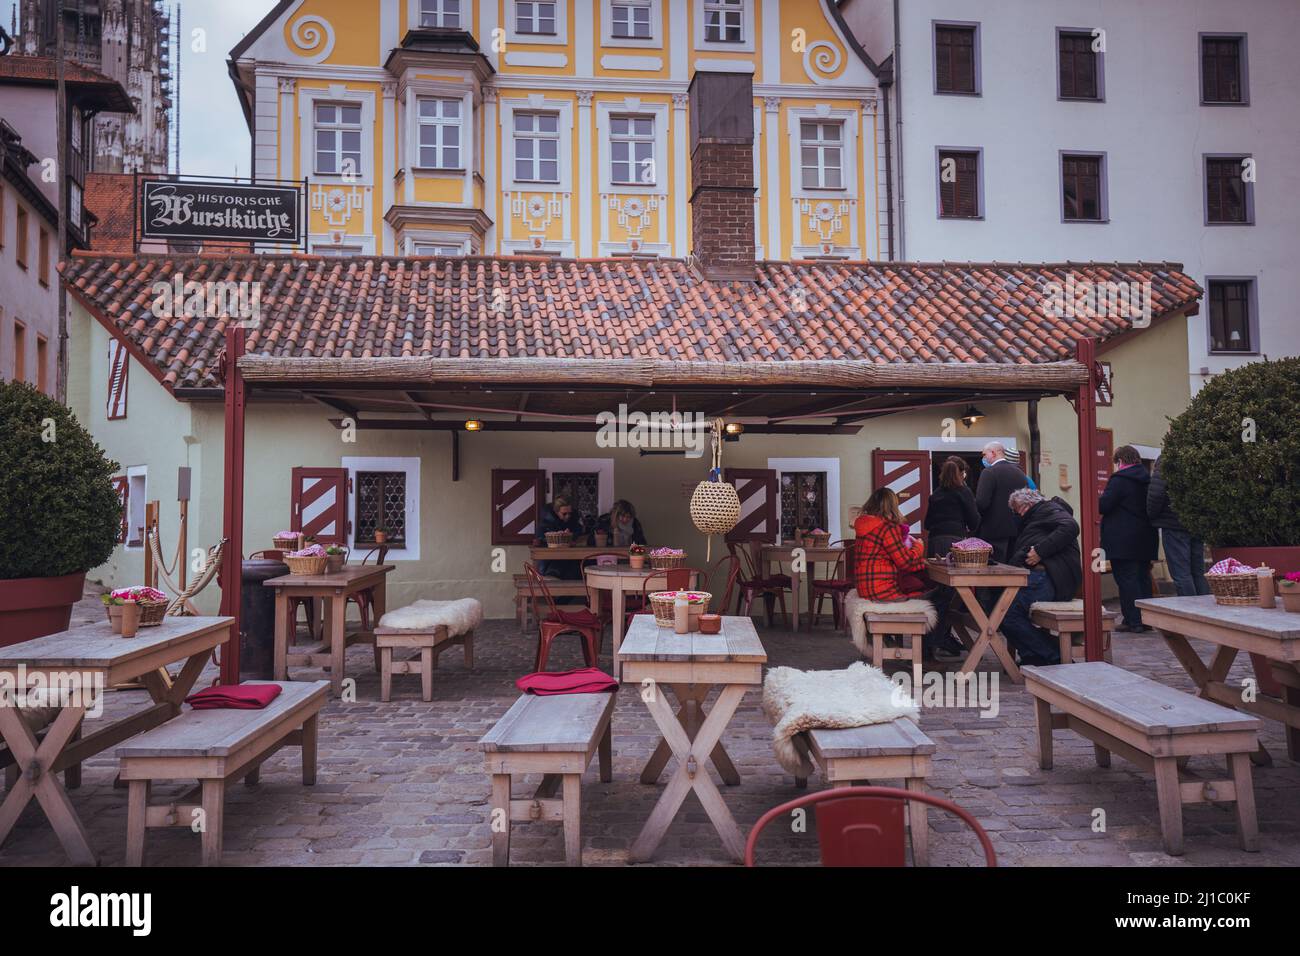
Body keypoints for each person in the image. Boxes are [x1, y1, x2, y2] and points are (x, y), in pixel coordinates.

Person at [854, 488, 964, 661]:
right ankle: (926, 653)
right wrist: (918, 547)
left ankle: (929, 647)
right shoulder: (885, 528)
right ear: (892, 506)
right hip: (883, 592)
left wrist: (918, 561)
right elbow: (906, 563)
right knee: (940, 597)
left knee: (934, 593)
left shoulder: (864, 526)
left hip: (866, 589)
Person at [999, 488, 1083, 666]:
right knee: (1001, 611)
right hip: (1044, 575)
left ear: (1027, 505)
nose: (1016, 515)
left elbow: (1071, 526)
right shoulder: (1039, 514)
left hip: (1050, 577)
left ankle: (1053, 657)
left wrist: (1039, 551)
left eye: (1016, 510)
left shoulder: (1048, 510)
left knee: (1006, 615)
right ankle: (1034, 655)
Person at [1100, 445, 1159, 632]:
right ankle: (1147, 619)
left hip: (1122, 540)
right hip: (1145, 537)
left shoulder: (1119, 480)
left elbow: (1104, 505)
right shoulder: (1147, 479)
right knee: (1143, 578)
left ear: (1120, 461)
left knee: (1127, 580)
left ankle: (1133, 620)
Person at [1147, 456, 1210, 597]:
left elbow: (1156, 493)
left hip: (1174, 524)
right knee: (1197, 572)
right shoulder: (1199, 456)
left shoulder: (1168, 459)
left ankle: (1190, 612)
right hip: (1196, 523)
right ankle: (1206, 612)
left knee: (1182, 574)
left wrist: (1152, 516)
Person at [974, 441, 1030, 564]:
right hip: (1015, 532)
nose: (983, 458)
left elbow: (981, 503)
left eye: (984, 454)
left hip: (993, 533)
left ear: (993, 453)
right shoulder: (1020, 474)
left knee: (992, 575)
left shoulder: (989, 472)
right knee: (1011, 572)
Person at [924, 457, 980, 558]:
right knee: (955, 572)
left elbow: (927, 524)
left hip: (935, 540)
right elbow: (973, 521)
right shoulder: (964, 492)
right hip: (955, 540)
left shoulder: (936, 494)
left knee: (936, 572)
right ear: (962, 473)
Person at [535, 494, 584, 580]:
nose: (568, 516)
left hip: (570, 558)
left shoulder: (574, 517)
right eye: (564, 514)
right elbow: (541, 535)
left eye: (570, 513)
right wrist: (556, 535)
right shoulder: (547, 519)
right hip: (550, 559)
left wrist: (571, 535)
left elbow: (579, 530)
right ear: (556, 511)